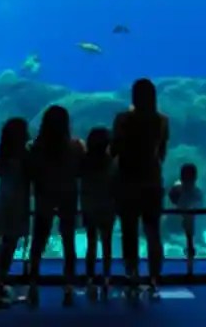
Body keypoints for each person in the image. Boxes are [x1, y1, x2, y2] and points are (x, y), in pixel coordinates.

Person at [111, 77, 170, 299]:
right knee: (153, 231)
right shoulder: (162, 120)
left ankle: (132, 275)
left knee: (129, 231)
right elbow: (161, 154)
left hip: (127, 181)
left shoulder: (123, 119)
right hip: (152, 182)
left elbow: (114, 149)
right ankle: (155, 278)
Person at [25, 105, 85, 307]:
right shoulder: (75, 147)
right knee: (69, 241)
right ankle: (68, 285)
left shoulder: (35, 147)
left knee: (39, 240)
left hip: (44, 196)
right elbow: (80, 172)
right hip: (67, 195)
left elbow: (30, 173)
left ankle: (33, 282)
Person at [0, 117, 32, 309]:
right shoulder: (23, 155)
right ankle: (0, 284)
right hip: (15, 203)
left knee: (4, 242)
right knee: (9, 243)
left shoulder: (3, 155)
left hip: (1, 200)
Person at [80, 126, 117, 300]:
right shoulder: (111, 162)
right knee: (107, 243)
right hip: (108, 207)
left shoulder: (85, 161)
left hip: (89, 206)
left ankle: (90, 278)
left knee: (91, 242)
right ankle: (107, 277)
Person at [167, 162, 204, 276]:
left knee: (189, 237)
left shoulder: (183, 190)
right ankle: (190, 266)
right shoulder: (195, 192)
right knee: (189, 238)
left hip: (184, 217)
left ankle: (189, 265)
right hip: (181, 217)